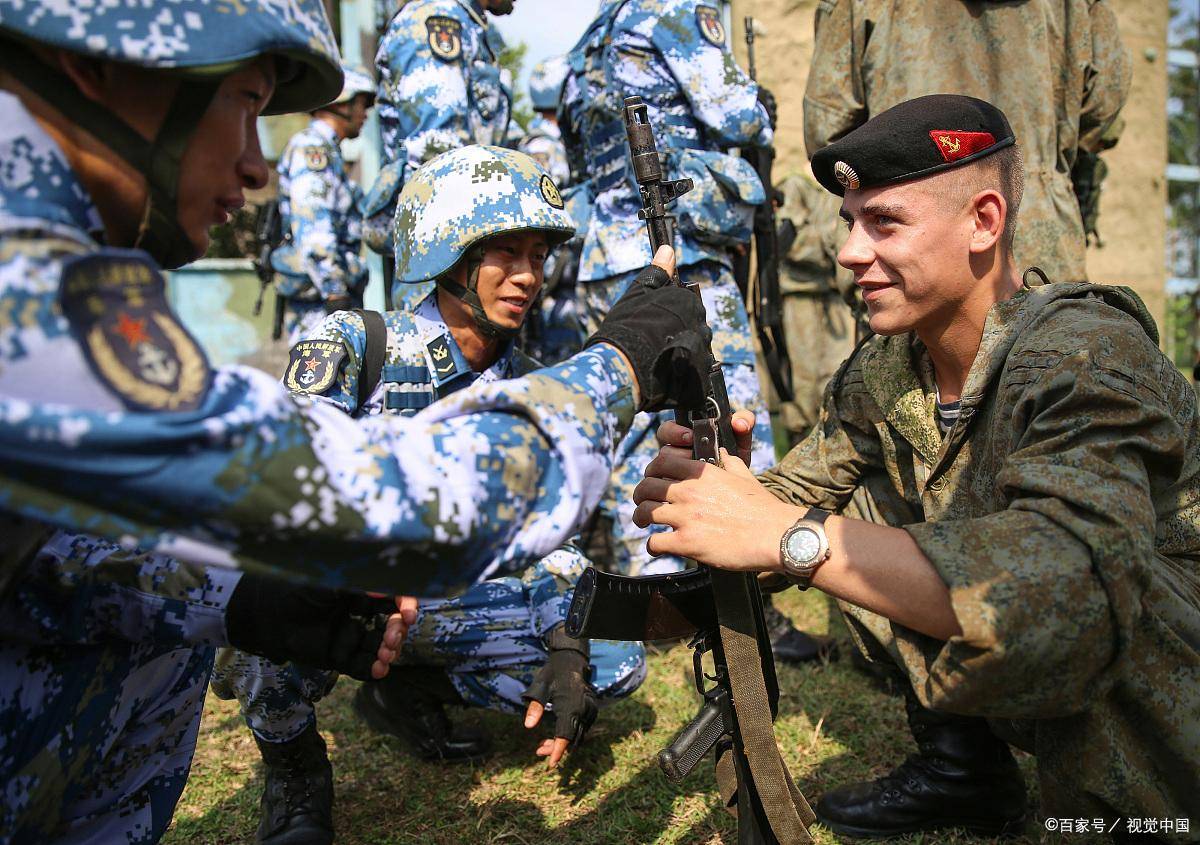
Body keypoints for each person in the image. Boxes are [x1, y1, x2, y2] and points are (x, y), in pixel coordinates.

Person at [0, 0, 710, 600]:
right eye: (246, 102)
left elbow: (60, 574)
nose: (254, 166)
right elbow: (368, 507)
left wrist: (235, 615)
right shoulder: (22, 288)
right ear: (97, 67)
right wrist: (618, 361)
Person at [635, 95, 1200, 842]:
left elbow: (1074, 592)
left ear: (984, 221)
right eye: (849, 222)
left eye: (885, 222)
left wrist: (787, 533)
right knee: (863, 509)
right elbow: (795, 498)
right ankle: (965, 770)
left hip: (1157, 670)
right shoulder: (890, 370)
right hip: (1048, 665)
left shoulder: (1085, 357)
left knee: (1099, 581)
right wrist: (717, 497)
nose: (848, 253)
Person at [212, 146, 646, 844]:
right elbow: (281, 494)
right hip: (342, 601)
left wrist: (566, 647)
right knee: (267, 590)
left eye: (539, 254)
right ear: (447, 254)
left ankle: (406, 689)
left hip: (446, 600)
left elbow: (551, 542)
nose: (529, 275)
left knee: (613, 660)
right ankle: (294, 766)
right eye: (505, 252)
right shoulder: (355, 345)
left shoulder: (530, 384)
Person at [561, 0, 777, 577]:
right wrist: (761, 102)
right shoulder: (672, 9)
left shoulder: (593, 34)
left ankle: (653, 581)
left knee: (635, 427)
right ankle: (747, 575)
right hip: (678, 248)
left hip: (606, 254)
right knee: (726, 411)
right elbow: (741, 115)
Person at [803, 0, 1131, 283]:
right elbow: (1104, 108)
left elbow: (828, 124)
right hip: (1039, 236)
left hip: (898, 244)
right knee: (1046, 349)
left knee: (896, 356)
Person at [363, 0, 517, 306]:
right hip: (445, 246)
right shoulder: (437, 18)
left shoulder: (472, 26)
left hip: (472, 240)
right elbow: (437, 158)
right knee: (434, 350)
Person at [271, 64, 375, 345]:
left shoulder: (327, 150)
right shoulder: (312, 149)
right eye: (363, 104)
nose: (365, 114)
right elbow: (314, 227)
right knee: (319, 384)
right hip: (321, 301)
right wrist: (335, 293)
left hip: (327, 295)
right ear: (343, 101)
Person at [774, 173, 861, 445]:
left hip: (836, 299)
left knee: (837, 376)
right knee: (802, 387)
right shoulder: (796, 185)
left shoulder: (846, 185)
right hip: (800, 299)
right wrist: (827, 246)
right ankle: (799, 448)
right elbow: (788, 243)